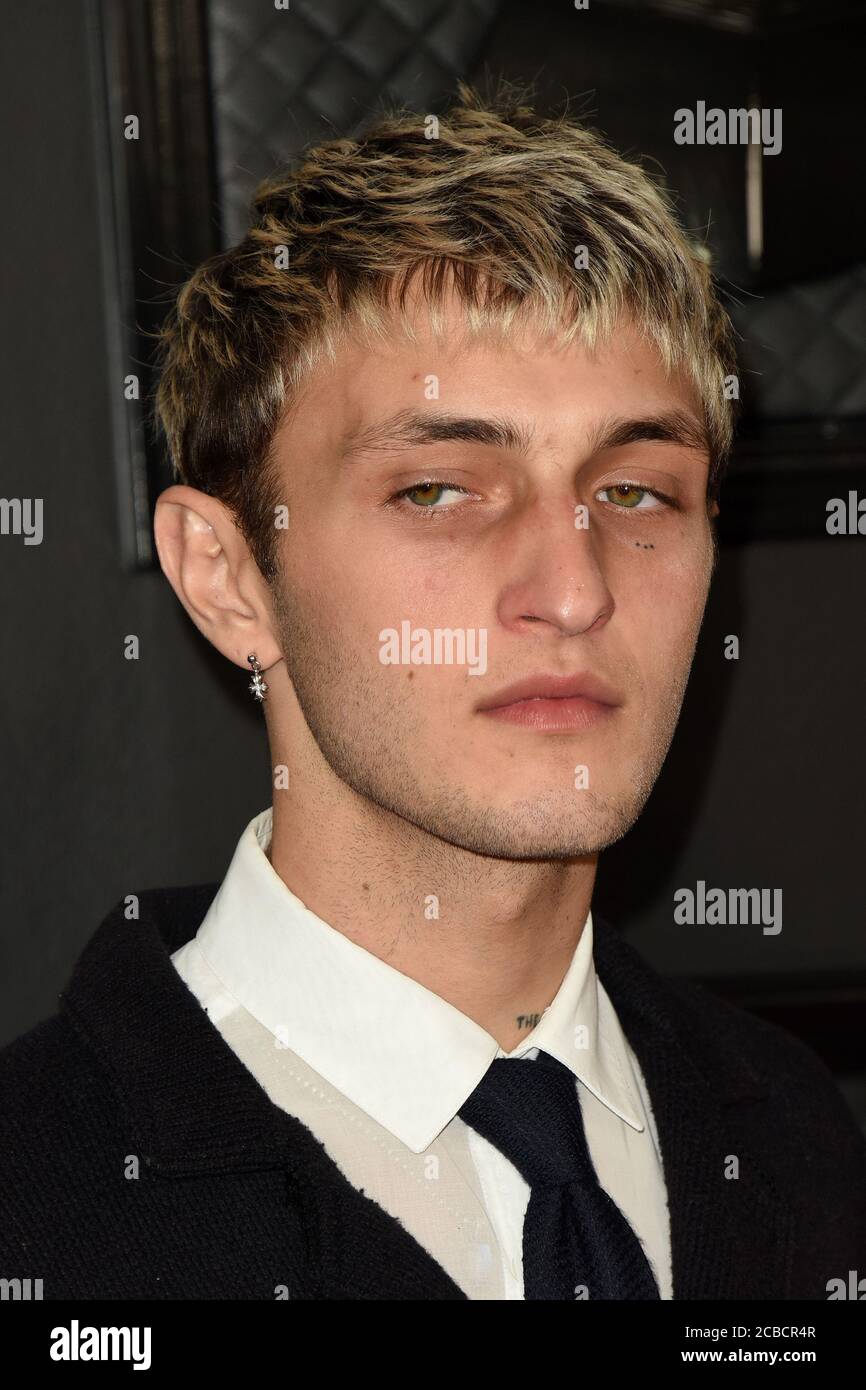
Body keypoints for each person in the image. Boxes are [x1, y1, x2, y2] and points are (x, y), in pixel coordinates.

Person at [1, 82, 863, 1301]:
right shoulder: (37, 1213)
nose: (571, 591)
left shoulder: (794, 1136)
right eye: (438, 490)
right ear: (230, 575)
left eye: (635, 492)